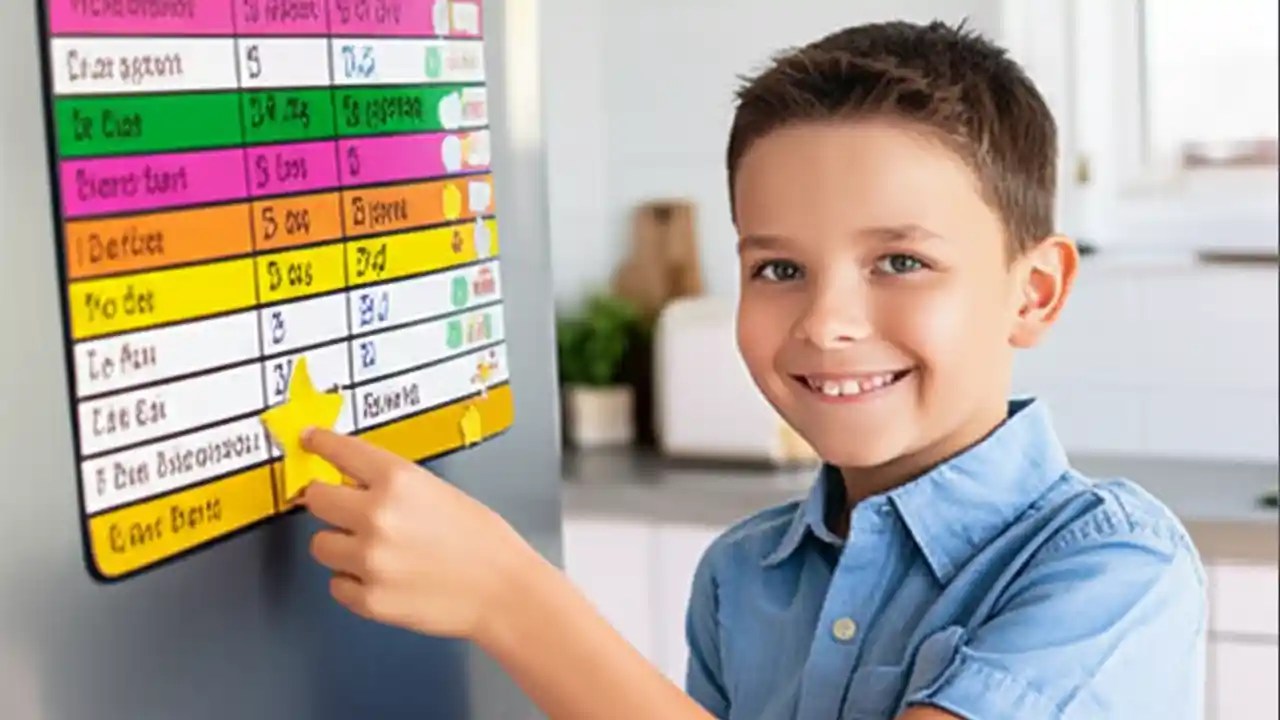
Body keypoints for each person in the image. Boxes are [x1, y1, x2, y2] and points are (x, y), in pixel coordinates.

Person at [297, 19, 1206, 720]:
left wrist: (511, 597)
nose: (827, 322)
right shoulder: (741, 578)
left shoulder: (1115, 568)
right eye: (778, 269)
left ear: (1035, 292)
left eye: (900, 262)